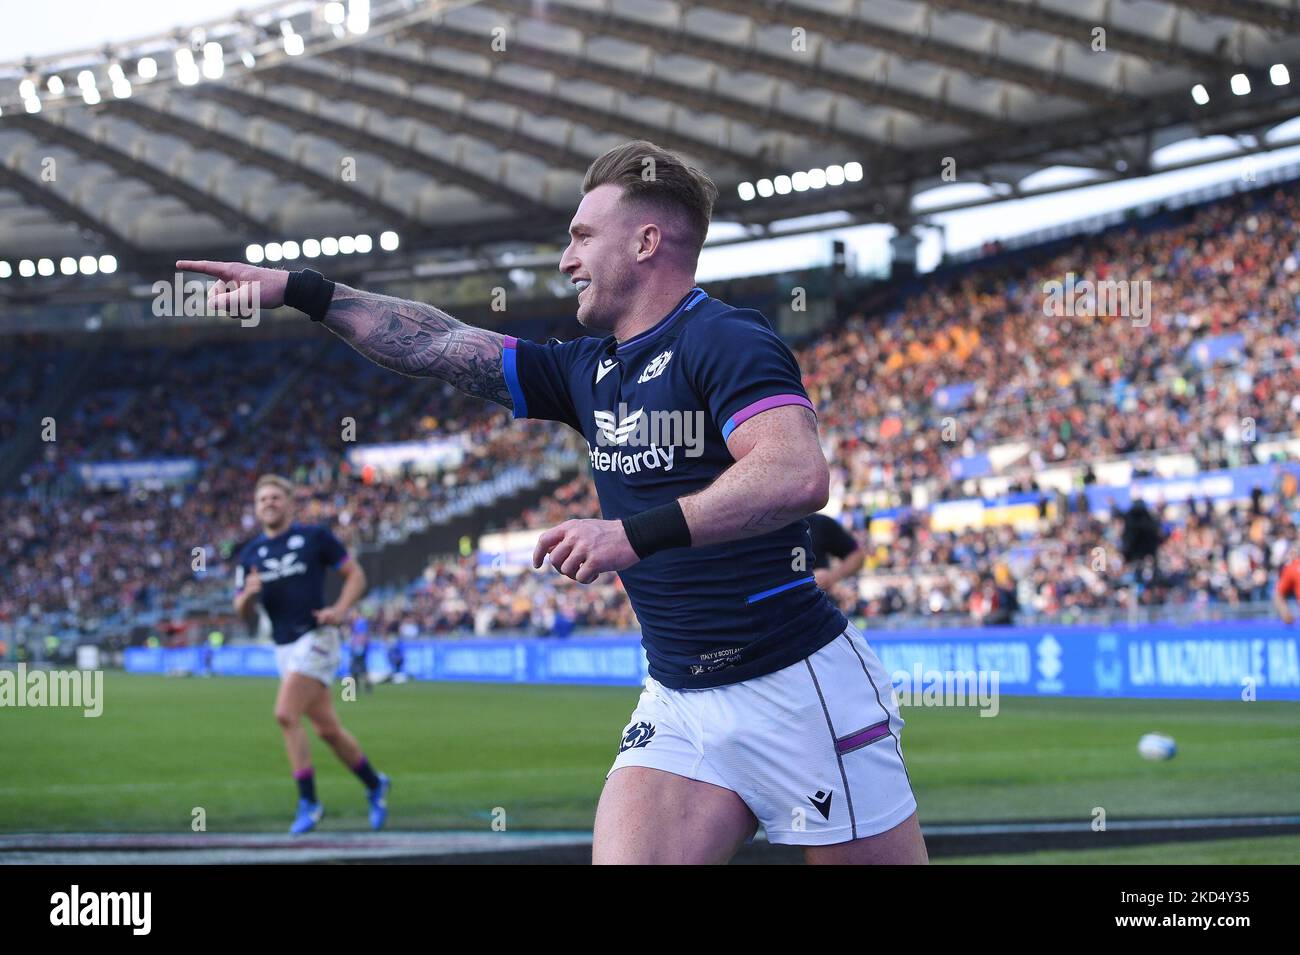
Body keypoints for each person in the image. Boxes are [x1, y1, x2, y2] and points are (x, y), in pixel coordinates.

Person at [180, 139, 925, 865]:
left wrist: (633, 534)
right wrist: (303, 291)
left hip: (797, 690)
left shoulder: (726, 339)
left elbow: (796, 471)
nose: (566, 260)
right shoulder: (583, 370)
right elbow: (437, 343)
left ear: (645, 242)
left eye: (581, 236)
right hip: (679, 697)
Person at [233, 474, 389, 834]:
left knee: (285, 714)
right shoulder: (250, 554)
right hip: (283, 647)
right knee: (328, 730)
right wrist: (248, 597)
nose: (268, 503)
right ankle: (375, 784)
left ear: (289, 503)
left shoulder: (315, 538)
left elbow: (356, 575)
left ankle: (309, 803)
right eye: (262, 499)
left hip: (317, 636)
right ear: (255, 509)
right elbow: (241, 612)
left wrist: (340, 609)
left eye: (275, 497)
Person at [806, 512, 865, 604]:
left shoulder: (818, 522)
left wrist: (832, 576)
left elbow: (856, 555)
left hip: (817, 604)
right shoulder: (776, 526)